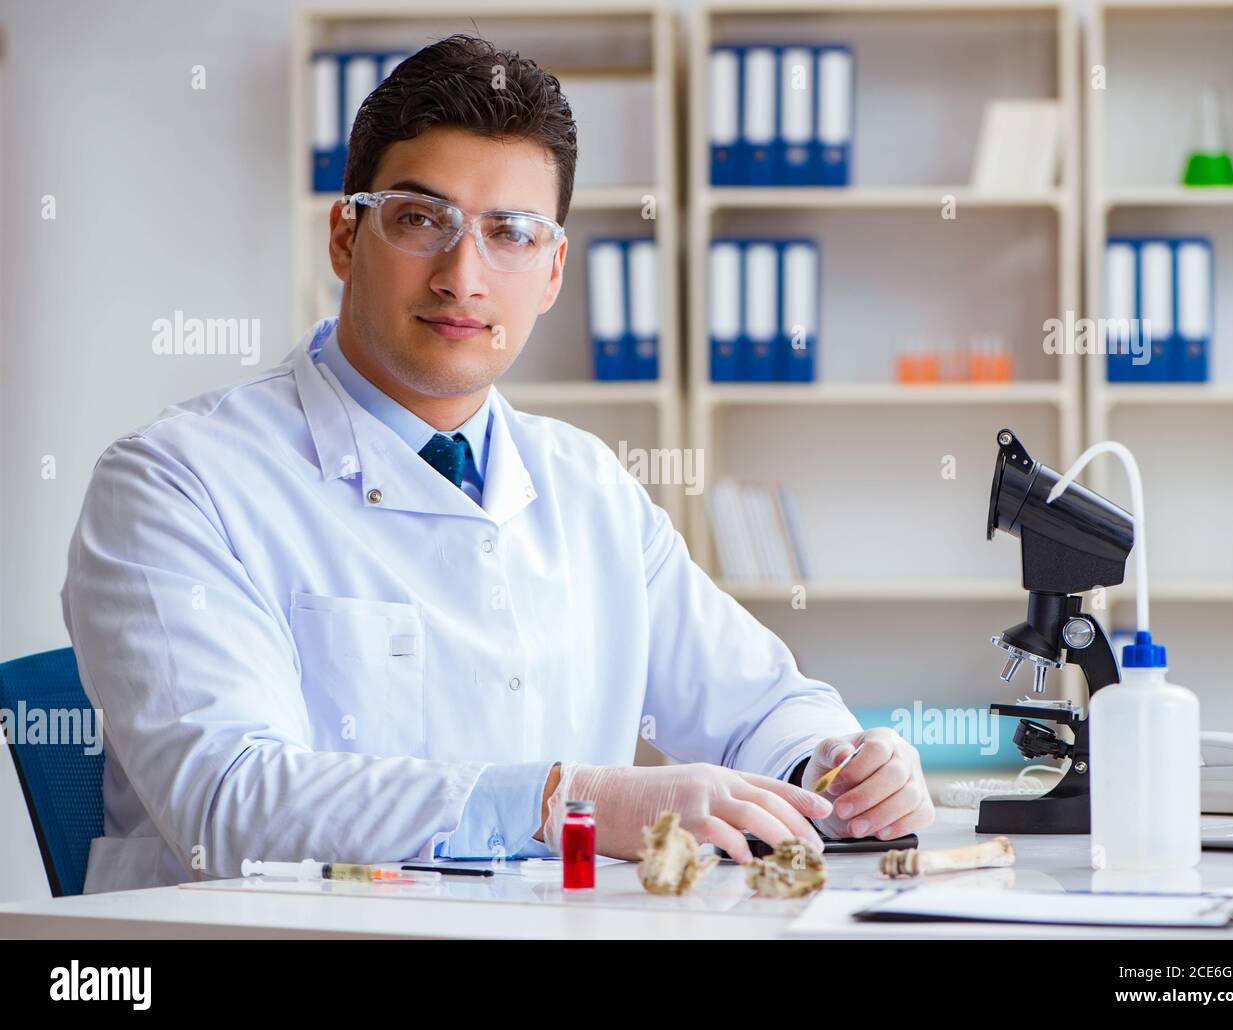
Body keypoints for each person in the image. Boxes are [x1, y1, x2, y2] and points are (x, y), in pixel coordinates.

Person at [62, 35, 933, 892]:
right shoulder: (176, 480)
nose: (462, 276)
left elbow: (765, 705)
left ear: (552, 271)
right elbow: (228, 805)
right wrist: (566, 801)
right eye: (418, 219)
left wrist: (840, 766)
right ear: (344, 238)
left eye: (510, 233)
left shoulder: (586, 482)